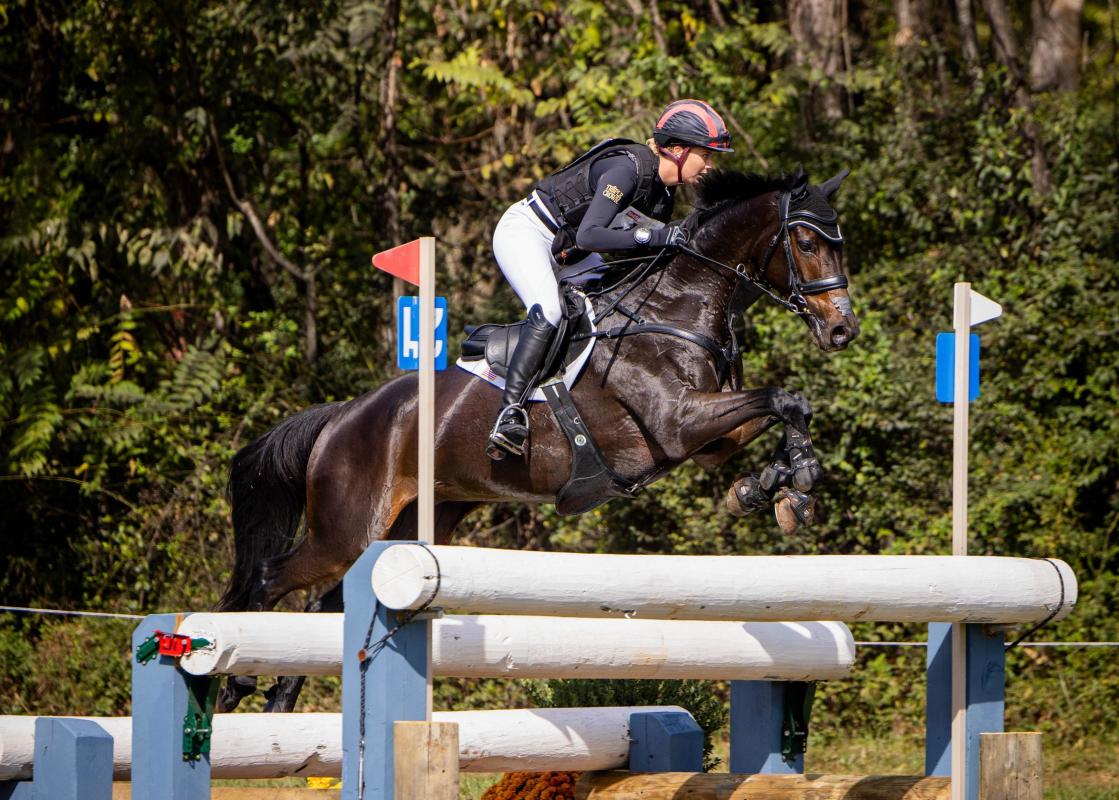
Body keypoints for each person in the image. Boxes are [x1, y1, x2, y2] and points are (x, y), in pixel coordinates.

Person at [486, 99, 734, 460]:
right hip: (530, 233)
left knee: (614, 305)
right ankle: (509, 414)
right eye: (705, 155)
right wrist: (657, 237)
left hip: (571, 253)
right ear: (678, 150)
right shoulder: (627, 171)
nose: (710, 165)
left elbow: (628, 250)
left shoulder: (663, 196)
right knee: (550, 309)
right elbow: (590, 235)